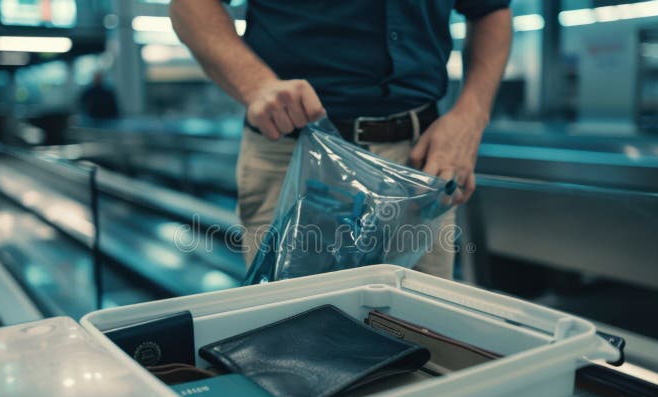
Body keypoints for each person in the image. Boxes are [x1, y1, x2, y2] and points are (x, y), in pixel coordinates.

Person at [170, 1, 512, 279]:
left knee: (422, 328)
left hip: (419, 162)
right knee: (292, 328)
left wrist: (472, 116)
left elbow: (491, 11)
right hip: (294, 152)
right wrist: (256, 85)